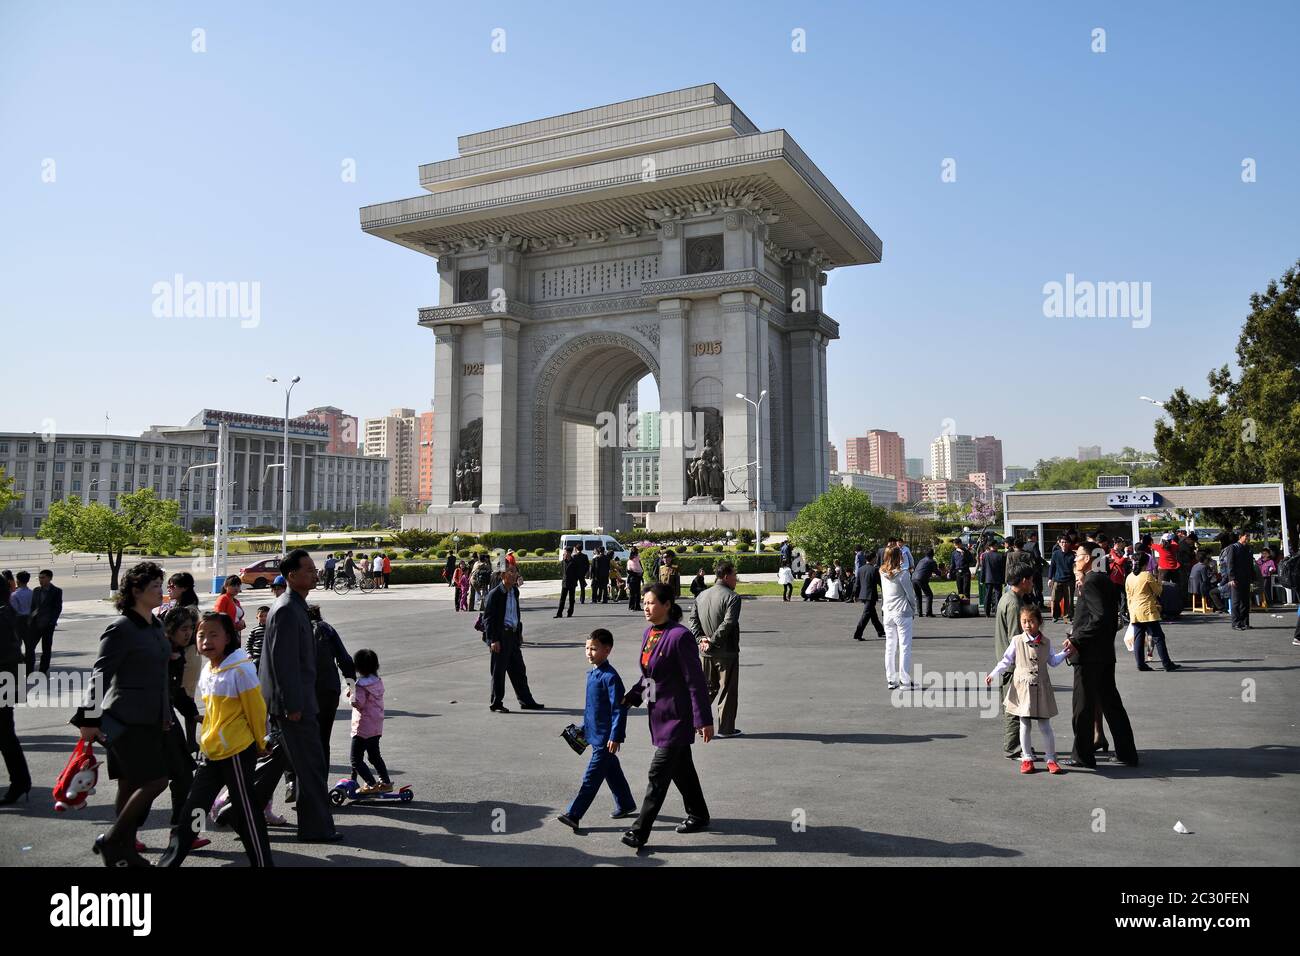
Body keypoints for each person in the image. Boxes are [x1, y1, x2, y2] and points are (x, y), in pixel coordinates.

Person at [72, 561, 172, 867]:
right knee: (157, 780)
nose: (161, 591)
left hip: (152, 719)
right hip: (126, 720)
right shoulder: (122, 628)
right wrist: (89, 718)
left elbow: (160, 674)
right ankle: (114, 840)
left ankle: (124, 852)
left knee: (129, 784)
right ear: (136, 591)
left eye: (161, 585)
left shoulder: (155, 625)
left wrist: (165, 712)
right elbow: (100, 674)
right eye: (155, 586)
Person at [160, 611, 274, 867]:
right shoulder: (209, 670)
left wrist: (260, 742)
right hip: (211, 752)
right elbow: (211, 713)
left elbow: (256, 711)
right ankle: (168, 862)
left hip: (236, 751)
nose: (205, 640)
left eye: (213, 634)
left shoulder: (241, 669)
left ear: (228, 638)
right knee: (194, 810)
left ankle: (263, 862)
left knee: (246, 813)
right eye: (201, 635)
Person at [255, 548, 341, 843]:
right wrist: (292, 704)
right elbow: (283, 663)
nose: (315, 573)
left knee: (276, 763)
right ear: (292, 576)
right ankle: (316, 828)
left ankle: (239, 811)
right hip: (294, 705)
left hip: (296, 702)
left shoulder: (295, 606)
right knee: (311, 766)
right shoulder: (287, 609)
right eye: (309, 569)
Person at [619, 582, 714, 850]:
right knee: (682, 769)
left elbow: (695, 681)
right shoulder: (649, 633)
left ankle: (639, 831)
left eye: (651, 602)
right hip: (658, 714)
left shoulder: (680, 636)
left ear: (667, 605)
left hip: (678, 718)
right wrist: (631, 697)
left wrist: (703, 719)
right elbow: (649, 676)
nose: (646, 607)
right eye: (644, 602)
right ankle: (698, 814)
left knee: (658, 773)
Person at [557, 629, 636, 832]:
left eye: (593, 648)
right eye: (586, 648)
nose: (589, 652)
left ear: (607, 650)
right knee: (612, 772)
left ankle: (574, 814)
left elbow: (618, 710)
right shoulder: (593, 674)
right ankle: (626, 804)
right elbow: (593, 709)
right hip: (595, 734)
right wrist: (584, 728)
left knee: (590, 779)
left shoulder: (610, 677)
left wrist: (616, 736)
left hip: (605, 740)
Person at [1062, 560, 1138, 768]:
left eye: (1078, 556)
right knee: (1111, 705)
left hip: (1089, 656)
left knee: (1082, 707)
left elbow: (1099, 617)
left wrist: (1077, 639)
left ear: (1087, 559)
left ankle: (1083, 755)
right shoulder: (1103, 580)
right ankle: (1126, 752)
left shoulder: (1091, 581)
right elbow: (1107, 619)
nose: (1075, 559)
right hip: (1103, 653)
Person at [986, 606, 1070, 775]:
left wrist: (1066, 653)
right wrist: (994, 674)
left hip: (1042, 687)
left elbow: (1052, 661)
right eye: (1024, 621)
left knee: (1045, 725)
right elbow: (1006, 660)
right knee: (1024, 724)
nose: (1027, 625)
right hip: (1023, 688)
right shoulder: (1017, 641)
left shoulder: (1046, 642)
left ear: (1039, 622)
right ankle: (1027, 758)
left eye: (1031, 621)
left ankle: (1051, 759)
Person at [160, 605, 207, 850]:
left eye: (191, 628)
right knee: (147, 783)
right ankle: (124, 834)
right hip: (150, 724)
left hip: (166, 721)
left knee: (182, 777)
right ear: (170, 628)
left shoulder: (177, 652)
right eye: (184, 629)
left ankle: (180, 835)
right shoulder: (158, 651)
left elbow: (177, 691)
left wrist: (194, 715)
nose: (189, 634)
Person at [691, 561, 742, 739]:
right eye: (735, 575)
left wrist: (701, 639)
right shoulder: (732, 597)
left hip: (705, 651)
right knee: (727, 689)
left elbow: (693, 621)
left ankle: (694, 722)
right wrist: (712, 641)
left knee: (706, 689)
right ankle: (726, 728)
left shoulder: (701, 596)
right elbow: (728, 623)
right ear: (727, 576)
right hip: (726, 652)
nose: (736, 579)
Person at [483, 565, 544, 713]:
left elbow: (515, 613)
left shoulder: (514, 591)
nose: (514, 574)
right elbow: (488, 619)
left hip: (513, 635)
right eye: (510, 571)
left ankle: (526, 700)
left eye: (515, 571)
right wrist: (493, 640)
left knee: (519, 670)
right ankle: (496, 703)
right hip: (500, 637)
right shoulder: (495, 594)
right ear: (503, 575)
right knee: (498, 672)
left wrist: (519, 632)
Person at [994, 556, 1037, 759]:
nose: (1032, 583)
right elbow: (1015, 638)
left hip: (1010, 664)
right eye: (1030, 579)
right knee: (1014, 707)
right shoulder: (1013, 604)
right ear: (1022, 581)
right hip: (1013, 665)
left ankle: (1020, 743)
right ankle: (1014, 747)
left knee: (1017, 706)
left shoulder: (1010, 598)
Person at [308, 604, 356, 770]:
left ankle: (296, 783)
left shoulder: (296, 631)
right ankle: (321, 784)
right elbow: (345, 660)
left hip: (304, 691)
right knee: (323, 739)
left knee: (302, 740)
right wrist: (352, 687)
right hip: (328, 689)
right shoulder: (327, 630)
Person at [0, 575, 32, 806]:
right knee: (5, 734)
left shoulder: (2, 615)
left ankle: (20, 782)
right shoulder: (7, 611)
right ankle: (21, 781)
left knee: (5, 735)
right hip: (8, 679)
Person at [1126, 550, 1181, 672]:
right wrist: (1159, 582)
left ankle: (1140, 664)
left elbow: (1128, 595)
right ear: (1146, 563)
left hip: (1135, 610)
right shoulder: (1147, 576)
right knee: (1158, 637)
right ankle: (1167, 663)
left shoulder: (1129, 577)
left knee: (1139, 637)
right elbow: (1158, 591)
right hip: (1147, 610)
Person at [347, 649, 391, 794]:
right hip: (376, 726)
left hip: (362, 728)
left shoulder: (360, 685)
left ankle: (371, 784)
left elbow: (358, 703)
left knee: (356, 760)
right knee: (374, 756)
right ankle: (385, 782)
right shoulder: (378, 682)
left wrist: (351, 691)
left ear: (358, 667)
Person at [880, 546, 917, 689]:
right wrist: (913, 608)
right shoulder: (903, 574)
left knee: (890, 646)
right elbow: (910, 594)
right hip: (902, 611)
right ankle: (905, 680)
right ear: (898, 557)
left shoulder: (882, 571)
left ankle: (891, 679)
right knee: (904, 646)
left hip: (888, 611)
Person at [29, 569, 63, 675]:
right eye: (39, 577)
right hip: (35, 624)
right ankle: (29, 668)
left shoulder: (56, 591)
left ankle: (43, 670)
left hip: (48, 624)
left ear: (50, 578)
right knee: (30, 647)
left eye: (43, 577)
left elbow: (57, 608)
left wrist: (52, 621)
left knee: (46, 648)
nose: (40, 580)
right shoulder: (36, 590)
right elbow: (32, 607)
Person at [852, 550, 886, 641]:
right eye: (875, 558)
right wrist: (886, 592)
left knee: (872, 614)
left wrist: (855, 595)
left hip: (863, 595)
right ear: (873, 558)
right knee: (866, 615)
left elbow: (857, 584)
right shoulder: (875, 570)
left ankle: (880, 630)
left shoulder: (860, 569)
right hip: (871, 595)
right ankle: (858, 633)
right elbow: (880, 583)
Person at [1225, 531, 1255, 630]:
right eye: (1246, 536)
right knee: (1236, 601)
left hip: (1246, 578)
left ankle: (1245, 622)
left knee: (1245, 601)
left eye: (1248, 536)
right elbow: (1230, 564)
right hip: (1236, 579)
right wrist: (1231, 578)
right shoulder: (1233, 547)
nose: (1248, 538)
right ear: (1240, 536)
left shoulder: (1248, 548)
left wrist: (1252, 578)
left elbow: (1250, 565)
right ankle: (1236, 623)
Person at [9, 571, 33, 674]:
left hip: (19, 621)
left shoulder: (15, 595)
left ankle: (19, 670)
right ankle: (29, 669)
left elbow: (14, 610)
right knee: (30, 647)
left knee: (17, 646)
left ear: (18, 580)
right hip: (30, 620)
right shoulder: (32, 593)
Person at [1049, 537, 1075, 622]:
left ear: (1069, 544)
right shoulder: (1055, 554)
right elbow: (1052, 566)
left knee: (1069, 601)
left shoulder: (1072, 554)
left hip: (1069, 580)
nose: (1064, 544)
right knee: (1055, 599)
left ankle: (1068, 617)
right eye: (1062, 542)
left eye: (1066, 542)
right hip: (1057, 580)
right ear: (1059, 543)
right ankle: (1055, 616)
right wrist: (1050, 578)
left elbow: (1076, 567)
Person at [979, 541, 1006, 618]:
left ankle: (987, 612)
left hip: (988, 578)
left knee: (988, 595)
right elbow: (1003, 569)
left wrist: (982, 579)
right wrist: (1004, 579)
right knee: (998, 595)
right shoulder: (1001, 555)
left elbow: (983, 569)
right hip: (998, 578)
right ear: (995, 546)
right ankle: (998, 611)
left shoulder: (985, 556)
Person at [912, 548, 939, 618]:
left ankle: (919, 613)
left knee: (918, 596)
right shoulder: (932, 561)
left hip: (913, 578)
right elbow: (936, 572)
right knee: (929, 595)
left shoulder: (921, 560)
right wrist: (941, 573)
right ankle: (928, 613)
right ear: (933, 554)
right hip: (921, 579)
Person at [556, 546, 581, 618]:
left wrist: (575, 580)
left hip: (572, 582)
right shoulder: (563, 561)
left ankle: (570, 612)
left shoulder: (574, 562)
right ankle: (559, 613)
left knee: (571, 599)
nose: (564, 553)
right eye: (564, 552)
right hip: (564, 582)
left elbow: (577, 572)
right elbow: (562, 571)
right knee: (562, 599)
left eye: (566, 552)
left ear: (570, 553)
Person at [1023, 532, 1045, 608]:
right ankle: (1039, 603)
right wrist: (1043, 563)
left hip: (1028, 570)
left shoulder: (1024, 546)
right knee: (1038, 587)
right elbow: (1037, 556)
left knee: (1030, 587)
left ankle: (1032, 602)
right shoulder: (1034, 545)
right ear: (1033, 537)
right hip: (1036, 569)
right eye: (1036, 537)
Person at [949, 538, 972, 602]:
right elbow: (952, 564)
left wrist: (963, 554)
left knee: (966, 590)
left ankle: (967, 605)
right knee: (960, 590)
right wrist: (950, 573)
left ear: (960, 544)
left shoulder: (966, 551)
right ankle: (960, 605)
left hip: (965, 572)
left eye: (957, 545)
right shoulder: (954, 553)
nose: (956, 546)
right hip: (958, 573)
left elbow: (971, 561)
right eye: (955, 545)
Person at [626, 547, 643, 612]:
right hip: (637, 578)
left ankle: (631, 606)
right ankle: (637, 606)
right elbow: (641, 569)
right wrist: (639, 574)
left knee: (632, 593)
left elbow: (628, 571)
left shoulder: (629, 560)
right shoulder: (637, 559)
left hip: (632, 578)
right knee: (637, 593)